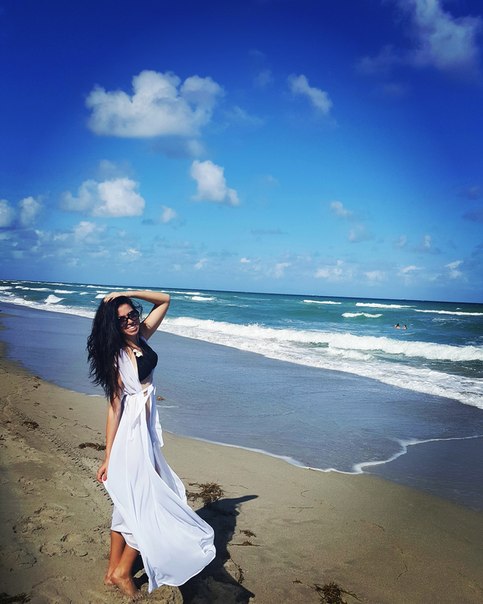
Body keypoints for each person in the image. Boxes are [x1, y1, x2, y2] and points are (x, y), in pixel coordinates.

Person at [87, 290, 216, 598]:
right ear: (113, 326)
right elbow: (114, 407)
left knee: (130, 501)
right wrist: (109, 455)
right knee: (147, 503)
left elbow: (165, 300)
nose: (130, 321)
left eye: (133, 314)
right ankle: (122, 571)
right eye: (122, 320)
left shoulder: (140, 336)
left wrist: (126, 293)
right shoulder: (118, 355)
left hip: (144, 434)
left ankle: (111, 572)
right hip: (132, 438)